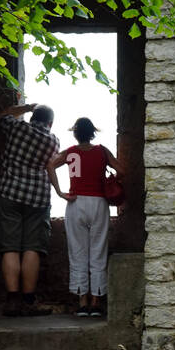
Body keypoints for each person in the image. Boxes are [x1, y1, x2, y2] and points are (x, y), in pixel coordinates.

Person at [0, 102, 60, 317]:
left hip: (9, 192)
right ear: (50, 123)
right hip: (37, 198)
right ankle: (29, 301)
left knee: (10, 247)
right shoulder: (53, 140)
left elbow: (1, 115)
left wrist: (26, 107)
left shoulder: (17, 128)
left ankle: (12, 300)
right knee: (32, 248)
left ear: (32, 117)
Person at [48, 117, 119, 317]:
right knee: (98, 252)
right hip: (98, 203)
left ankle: (82, 302)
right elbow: (121, 170)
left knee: (77, 253)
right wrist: (111, 180)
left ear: (76, 134)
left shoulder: (70, 152)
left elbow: (50, 165)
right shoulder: (102, 151)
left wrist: (60, 192)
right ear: (93, 133)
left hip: (75, 203)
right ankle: (96, 302)